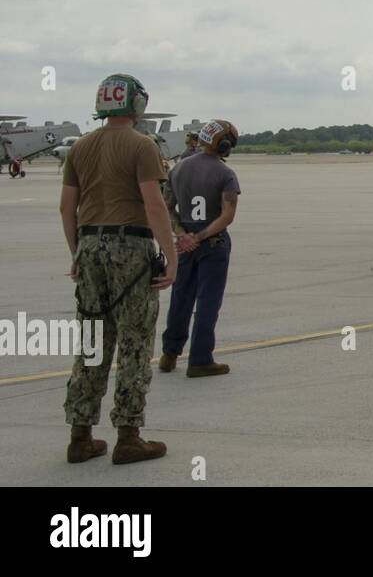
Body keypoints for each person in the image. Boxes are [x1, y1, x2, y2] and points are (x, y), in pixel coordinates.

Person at [60, 73, 176, 465]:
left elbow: (66, 208)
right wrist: (171, 255)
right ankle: (128, 434)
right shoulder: (142, 146)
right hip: (131, 246)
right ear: (137, 105)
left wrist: (77, 253)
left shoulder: (80, 148)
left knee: (93, 340)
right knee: (135, 340)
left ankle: (80, 435)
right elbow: (154, 204)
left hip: (89, 246)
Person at [160, 119, 240, 378]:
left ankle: (169, 354)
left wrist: (183, 235)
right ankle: (200, 359)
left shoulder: (178, 169)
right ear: (224, 145)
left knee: (180, 298)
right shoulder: (225, 174)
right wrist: (201, 236)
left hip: (184, 244)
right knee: (207, 302)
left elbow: (166, 208)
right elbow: (227, 216)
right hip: (213, 244)